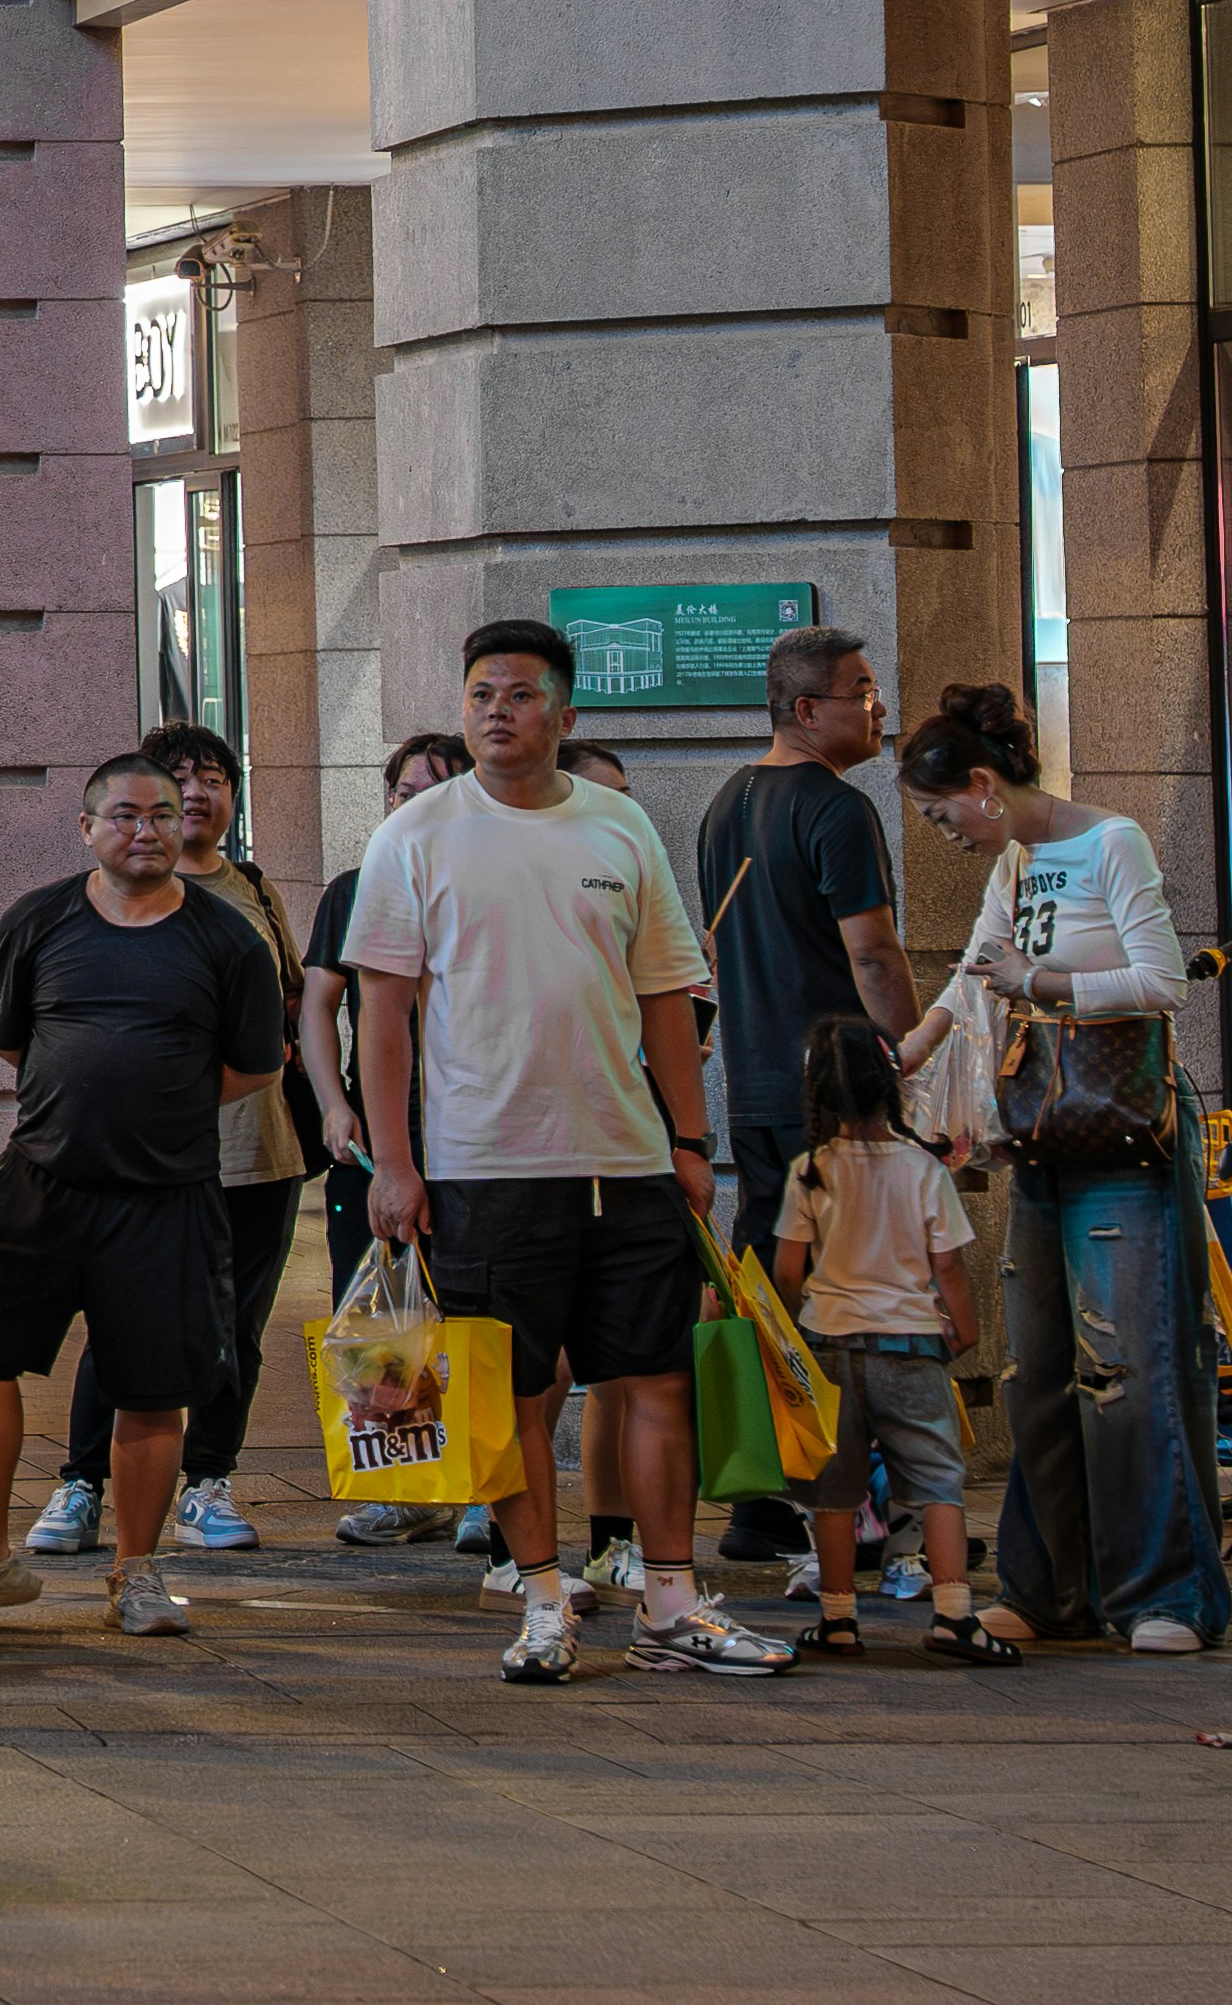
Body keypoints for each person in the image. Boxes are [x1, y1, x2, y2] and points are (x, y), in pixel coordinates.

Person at [348, 620, 787, 1683]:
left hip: (627, 1159)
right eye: (482, 693)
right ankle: (543, 1597)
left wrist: (690, 1139)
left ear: (566, 713)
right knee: (504, 1393)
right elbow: (385, 1016)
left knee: (654, 1380)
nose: (498, 709)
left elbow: (669, 1000)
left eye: (522, 694)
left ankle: (672, 1602)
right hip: (479, 1165)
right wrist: (394, 1164)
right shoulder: (415, 836)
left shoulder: (619, 826)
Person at [895, 681, 1226, 1655]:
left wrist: (1040, 984)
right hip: (1041, 1130)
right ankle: (1048, 1593)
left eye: (940, 812)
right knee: (1036, 1370)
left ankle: (1165, 1595)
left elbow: (1162, 980)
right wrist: (914, 1046)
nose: (943, 832)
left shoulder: (1108, 842)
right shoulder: (1020, 858)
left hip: (1120, 1133)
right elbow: (973, 968)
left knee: (1126, 1372)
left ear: (985, 785)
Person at [0, 755, 284, 1642]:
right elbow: (11, 1038)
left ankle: (136, 1568)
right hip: (42, 1180)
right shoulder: (39, 919)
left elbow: (255, 1063)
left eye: (163, 814)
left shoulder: (227, 937)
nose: (147, 830)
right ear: (86, 828)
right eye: (125, 815)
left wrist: (153, 1101)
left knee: (153, 1385)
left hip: (167, 1195)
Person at [32, 724, 311, 1561]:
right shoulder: (90, 900)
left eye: (214, 777)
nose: (197, 793)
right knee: (117, 1321)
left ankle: (208, 1479)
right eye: (177, 778)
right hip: (138, 1155)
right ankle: (82, 1481)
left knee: (235, 1326)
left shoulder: (255, 890)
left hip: (255, 1150)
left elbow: (292, 1012)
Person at [693, 626, 915, 1567]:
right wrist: (911, 1051)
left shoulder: (724, 804)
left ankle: (759, 1500)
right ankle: (849, 1506)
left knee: (763, 1293)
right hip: (836, 1089)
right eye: (862, 690)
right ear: (805, 709)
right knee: (847, 1298)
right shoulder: (835, 807)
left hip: (755, 1086)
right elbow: (870, 950)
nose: (879, 708)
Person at [769, 1011, 1000, 1663]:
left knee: (835, 1492)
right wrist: (967, 1325)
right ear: (890, 1085)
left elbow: (789, 1269)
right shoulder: (922, 1167)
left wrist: (785, 1329)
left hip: (829, 1343)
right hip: (910, 1344)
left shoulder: (811, 1171)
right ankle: (955, 1615)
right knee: (936, 1479)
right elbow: (949, 1262)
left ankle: (838, 1620)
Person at [306, 729, 481, 1546]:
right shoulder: (352, 887)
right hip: (378, 1145)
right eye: (405, 792)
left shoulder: (482, 881)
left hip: (474, 1136)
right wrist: (334, 1105)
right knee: (376, 1316)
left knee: (472, 1312)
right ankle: (402, 1487)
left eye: (436, 792)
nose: (416, 806)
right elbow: (317, 1007)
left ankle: (484, 1486)